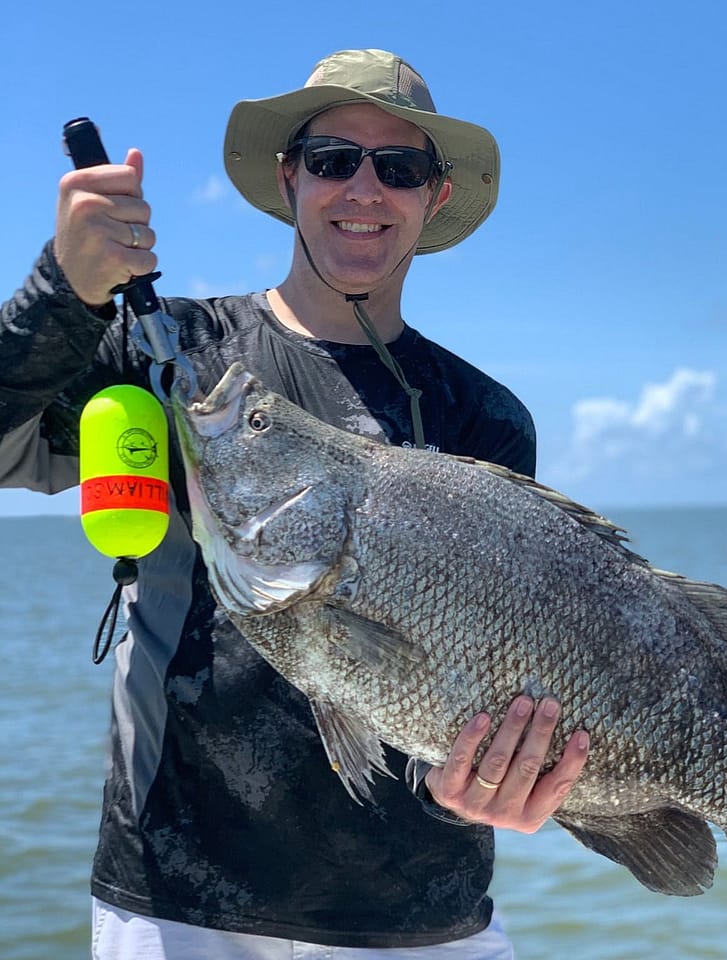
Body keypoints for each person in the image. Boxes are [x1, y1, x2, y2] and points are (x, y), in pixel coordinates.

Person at [0, 49, 590, 958]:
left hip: (426, 920)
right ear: (289, 176)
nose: (364, 187)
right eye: (332, 159)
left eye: (399, 167)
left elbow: (517, 671)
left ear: (434, 197)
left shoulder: (487, 418)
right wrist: (62, 289)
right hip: (175, 909)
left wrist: (502, 782)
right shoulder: (178, 356)